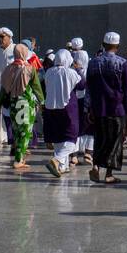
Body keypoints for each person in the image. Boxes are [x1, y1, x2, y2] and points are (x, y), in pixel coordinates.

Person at [85, 32, 127, 184]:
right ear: (117, 46)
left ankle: (95, 166)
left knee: (100, 139)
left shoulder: (93, 63)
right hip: (116, 108)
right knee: (115, 142)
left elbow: (89, 88)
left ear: (103, 44)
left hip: (98, 108)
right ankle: (109, 174)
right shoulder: (122, 63)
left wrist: (87, 108)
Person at [0, 43, 43, 171]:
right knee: (25, 133)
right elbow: (36, 88)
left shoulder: (8, 69)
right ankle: (18, 161)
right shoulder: (30, 69)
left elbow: (4, 89)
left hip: (13, 104)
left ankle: (20, 157)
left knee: (17, 131)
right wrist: (42, 101)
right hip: (26, 104)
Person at [43, 48, 85, 178]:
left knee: (59, 136)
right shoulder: (71, 72)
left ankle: (62, 166)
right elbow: (82, 84)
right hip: (67, 107)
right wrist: (78, 69)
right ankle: (56, 159)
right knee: (71, 137)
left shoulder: (49, 72)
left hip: (51, 108)